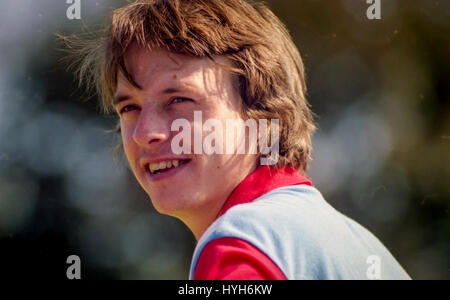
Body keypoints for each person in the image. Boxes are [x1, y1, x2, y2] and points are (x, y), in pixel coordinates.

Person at [70, 0, 411, 279]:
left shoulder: (241, 242)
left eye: (179, 100)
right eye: (129, 107)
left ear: (261, 117)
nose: (145, 133)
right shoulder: (363, 246)